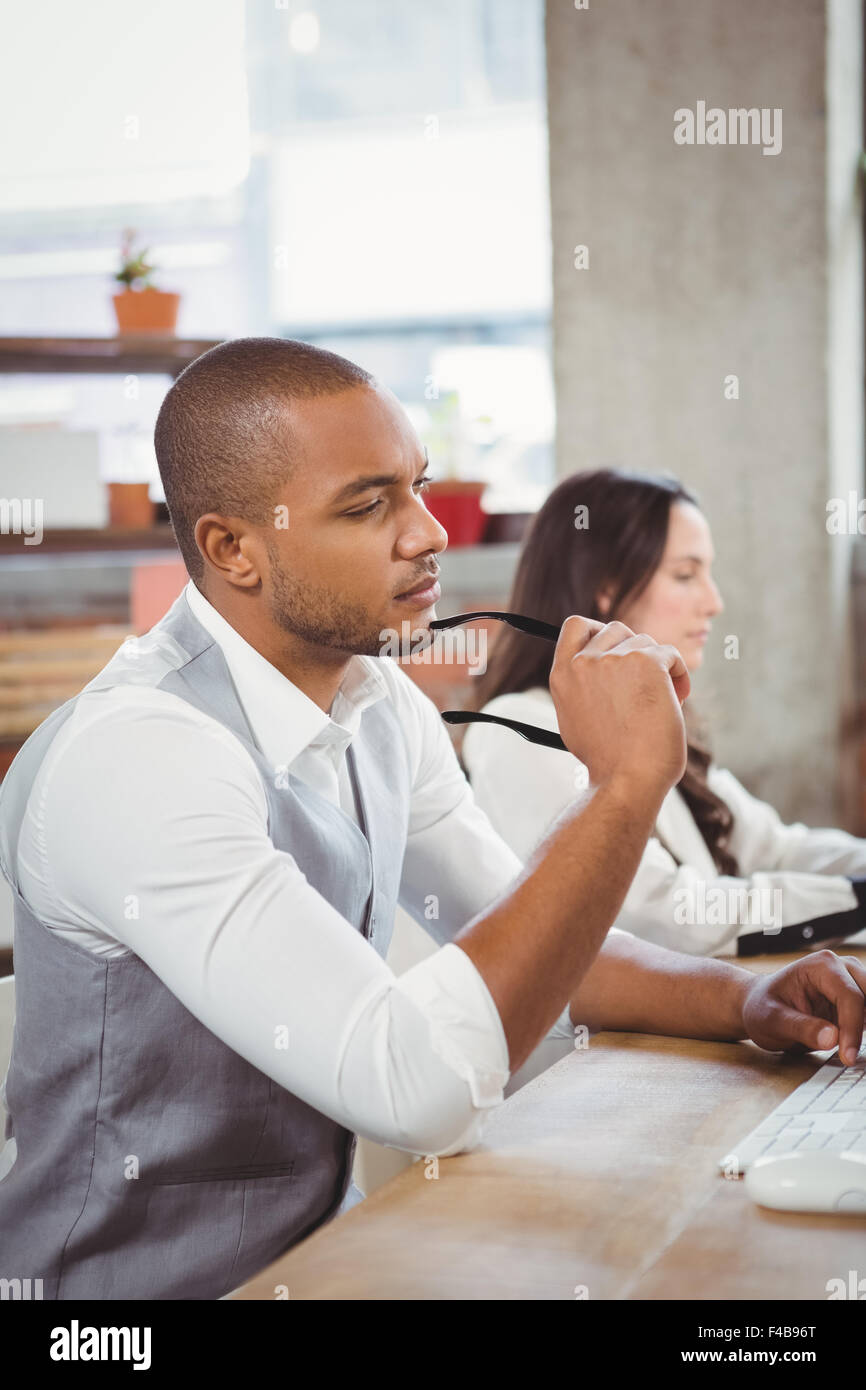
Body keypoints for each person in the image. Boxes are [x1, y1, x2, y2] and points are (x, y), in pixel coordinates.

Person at [0, 343, 863, 1303]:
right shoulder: (144, 754)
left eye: (416, 487)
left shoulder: (377, 703)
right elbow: (421, 1092)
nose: (425, 534)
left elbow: (536, 931)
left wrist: (741, 1003)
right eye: (368, 506)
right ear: (232, 547)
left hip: (325, 1268)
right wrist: (620, 789)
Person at [462, 468, 866, 959]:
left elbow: (774, 848)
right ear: (605, 588)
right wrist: (855, 898)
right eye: (685, 575)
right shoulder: (521, 728)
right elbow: (659, 915)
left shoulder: (650, 720)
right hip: (599, 1038)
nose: (714, 602)